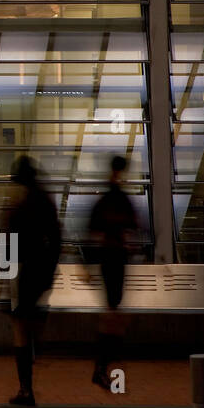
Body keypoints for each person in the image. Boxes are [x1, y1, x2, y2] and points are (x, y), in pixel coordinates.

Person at [3, 156, 61, 407]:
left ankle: (26, 388)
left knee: (19, 328)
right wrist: (50, 268)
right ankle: (36, 350)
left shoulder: (18, 203)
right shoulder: (45, 200)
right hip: (41, 270)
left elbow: (9, 243)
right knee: (30, 321)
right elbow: (56, 237)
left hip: (22, 270)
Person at [87, 155, 138, 390]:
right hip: (116, 259)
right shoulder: (120, 200)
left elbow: (92, 231)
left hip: (109, 259)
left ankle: (104, 363)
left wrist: (87, 265)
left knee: (113, 311)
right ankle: (103, 364)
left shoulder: (107, 200)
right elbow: (133, 228)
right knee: (113, 312)